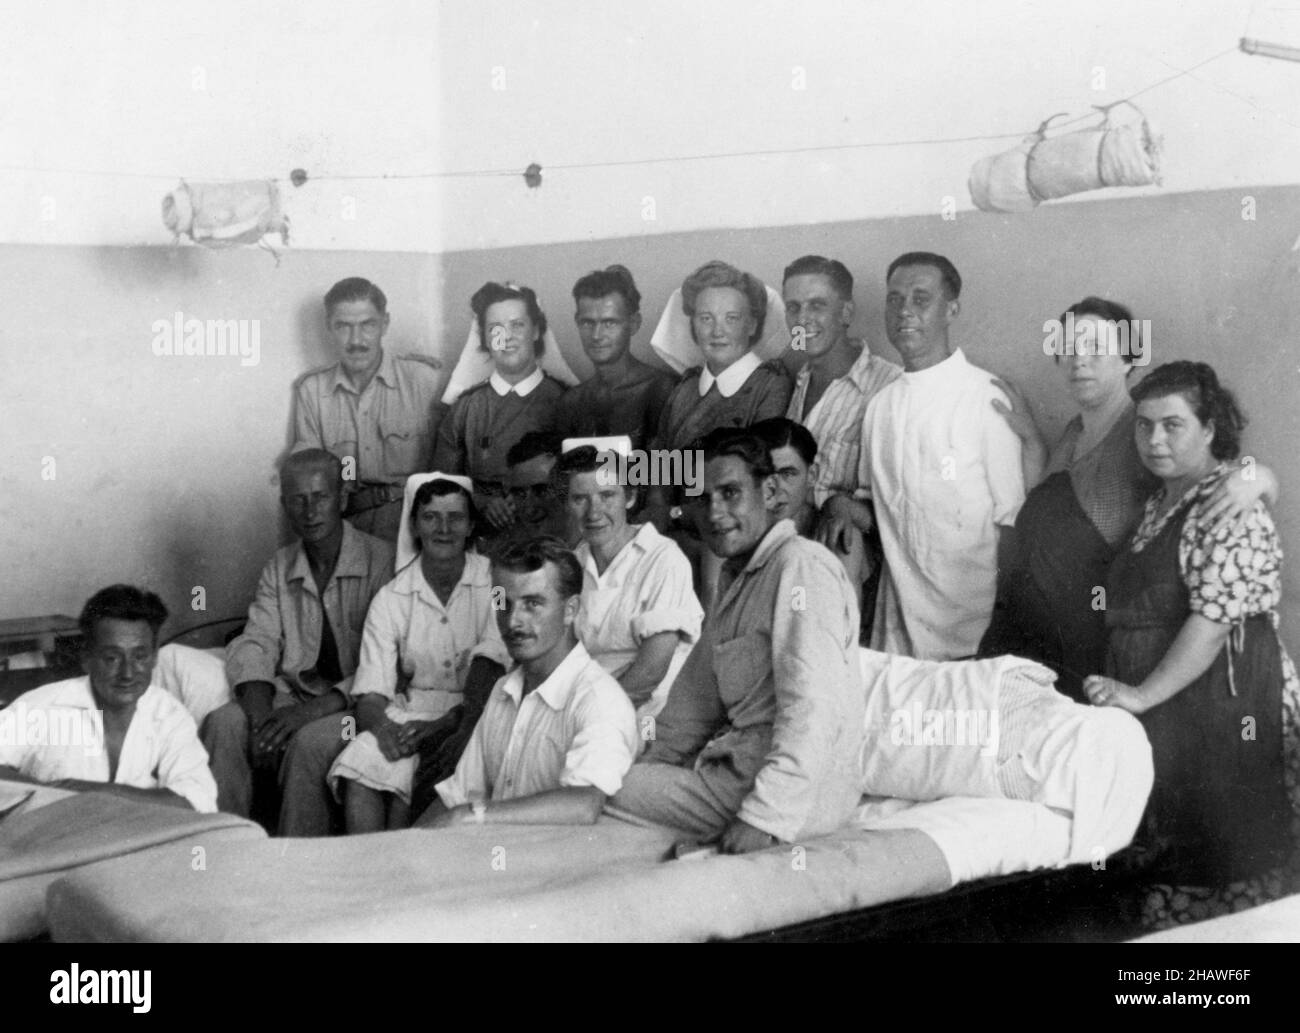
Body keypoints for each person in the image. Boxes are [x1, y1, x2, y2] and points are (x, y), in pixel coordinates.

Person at [1084, 361, 1298, 928]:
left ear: (1210, 429)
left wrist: (1139, 695)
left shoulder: (1227, 502)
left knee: (1224, 873)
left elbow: (1211, 624)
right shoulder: (1161, 501)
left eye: (1172, 425)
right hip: (1171, 712)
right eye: (1144, 425)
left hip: (1224, 710)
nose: (1154, 440)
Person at [980, 298, 1277, 699]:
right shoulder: (1072, 432)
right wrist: (1033, 441)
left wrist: (1257, 477)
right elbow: (1046, 512)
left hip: (1088, 640)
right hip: (1028, 629)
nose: (1079, 360)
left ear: (1128, 359)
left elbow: (1216, 471)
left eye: (1096, 349)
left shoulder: (1145, 427)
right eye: (1068, 348)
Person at [610, 428, 863, 853]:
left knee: (596, 788)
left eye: (730, 493)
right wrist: (649, 767)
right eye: (702, 499)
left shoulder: (799, 567)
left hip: (795, 800)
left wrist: (765, 817)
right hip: (736, 780)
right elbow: (687, 714)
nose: (715, 513)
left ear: (768, 491)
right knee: (603, 775)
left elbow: (814, 706)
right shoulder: (738, 581)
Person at [202, 449, 394, 834]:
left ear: (341, 498)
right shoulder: (279, 566)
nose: (310, 511)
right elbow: (256, 643)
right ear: (284, 505)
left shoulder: (382, 561)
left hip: (358, 707)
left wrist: (302, 716)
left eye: (320, 497)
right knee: (224, 723)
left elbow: (385, 665)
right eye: (298, 500)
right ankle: (223, 851)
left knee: (309, 743)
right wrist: (260, 721)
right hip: (293, 696)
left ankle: (298, 869)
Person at [854, 252, 1025, 661]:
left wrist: (1002, 630)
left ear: (951, 310)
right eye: (894, 299)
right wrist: (836, 506)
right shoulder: (880, 406)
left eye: (920, 298)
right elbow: (873, 508)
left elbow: (1013, 521)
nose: (905, 312)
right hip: (899, 633)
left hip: (975, 632)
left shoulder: (985, 397)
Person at [414, 537, 638, 828]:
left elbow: (583, 805)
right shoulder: (503, 691)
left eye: (533, 604)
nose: (513, 622)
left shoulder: (598, 700)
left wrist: (472, 815)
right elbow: (457, 796)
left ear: (570, 610)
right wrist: (401, 848)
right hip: (497, 859)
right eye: (504, 604)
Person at [329, 477, 508, 832]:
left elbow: (496, 671)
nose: (443, 529)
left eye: (455, 518)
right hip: (408, 715)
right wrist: (384, 732)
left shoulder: (496, 583)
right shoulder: (391, 597)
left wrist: (441, 726)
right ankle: (364, 876)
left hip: (479, 711)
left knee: (417, 789)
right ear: (414, 525)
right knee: (360, 764)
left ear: (471, 525)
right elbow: (371, 693)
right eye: (430, 517)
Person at [647, 261, 793, 605]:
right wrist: (658, 516)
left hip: (732, 532)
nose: (717, 331)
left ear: (752, 324)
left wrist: (677, 515)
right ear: (693, 326)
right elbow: (658, 475)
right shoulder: (683, 391)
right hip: (678, 530)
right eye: (706, 318)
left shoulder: (769, 385)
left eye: (732, 318)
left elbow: (750, 478)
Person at [0, 585, 217, 812]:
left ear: (154, 658)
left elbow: (199, 801)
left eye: (140, 657)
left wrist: (94, 793)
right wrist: (45, 795)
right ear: (86, 659)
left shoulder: (168, 714)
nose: (128, 673)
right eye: (112, 658)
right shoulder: (44, 707)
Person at [782, 255, 900, 612]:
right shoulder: (793, 380)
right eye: (794, 307)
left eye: (817, 306)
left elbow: (902, 504)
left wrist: (841, 506)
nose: (803, 319)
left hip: (850, 549)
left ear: (846, 313)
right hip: (790, 533)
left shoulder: (887, 386)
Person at [558, 443, 703, 722]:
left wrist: (592, 721)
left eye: (607, 495)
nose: (594, 512)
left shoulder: (662, 559)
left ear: (630, 497)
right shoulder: (570, 565)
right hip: (581, 710)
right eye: (580, 499)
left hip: (650, 717)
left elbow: (651, 672)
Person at [292, 277, 442, 542]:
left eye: (367, 325)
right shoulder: (312, 391)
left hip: (414, 524)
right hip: (348, 527)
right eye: (343, 327)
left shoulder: (424, 381)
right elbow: (309, 477)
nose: (356, 340)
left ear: (385, 324)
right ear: (329, 327)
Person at [431, 282, 568, 537]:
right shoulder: (466, 409)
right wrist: (481, 503)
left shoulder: (567, 402)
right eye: (496, 328)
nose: (507, 337)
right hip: (483, 542)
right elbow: (441, 487)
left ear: (536, 330)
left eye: (518, 325)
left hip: (551, 540)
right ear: (483, 337)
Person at [557, 265, 678, 452]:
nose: (597, 335)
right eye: (588, 322)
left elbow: (671, 474)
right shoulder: (571, 402)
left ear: (634, 323)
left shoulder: (663, 390)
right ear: (577, 323)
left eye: (609, 323)